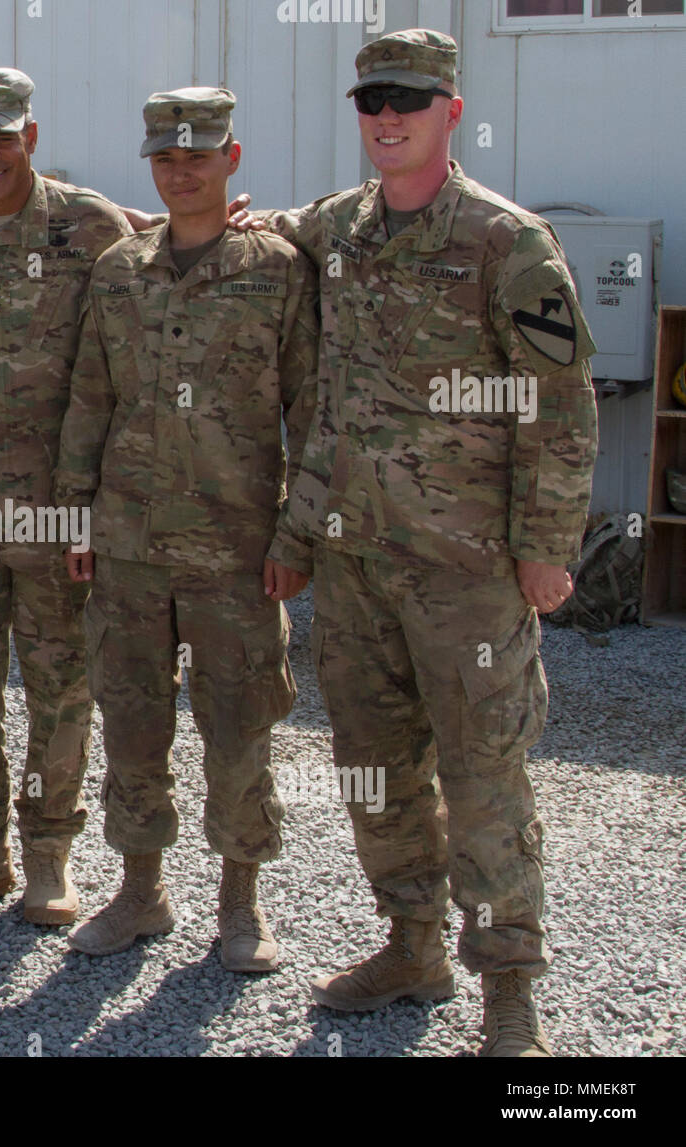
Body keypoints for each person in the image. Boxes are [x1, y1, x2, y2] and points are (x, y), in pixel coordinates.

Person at [248, 29, 597, 1054]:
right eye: (369, 99)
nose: (384, 116)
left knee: (482, 773)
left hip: (467, 571)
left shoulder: (505, 241)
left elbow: (559, 407)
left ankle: (510, 997)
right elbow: (255, 233)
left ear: (450, 106)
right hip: (357, 564)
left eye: (405, 97)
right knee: (373, 766)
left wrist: (546, 545)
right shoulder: (341, 229)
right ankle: (410, 944)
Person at [54, 88, 319, 970]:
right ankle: (140, 893)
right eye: (165, 158)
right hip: (128, 543)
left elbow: (312, 410)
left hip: (235, 550)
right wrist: (74, 511)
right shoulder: (121, 270)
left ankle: (241, 907)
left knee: (239, 726)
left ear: (231, 159)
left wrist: (298, 534)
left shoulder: (277, 269)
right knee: (131, 723)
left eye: (198, 156)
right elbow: (90, 397)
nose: (181, 171)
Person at [0, 69, 133, 925]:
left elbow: (139, 312)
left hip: (55, 506)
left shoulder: (91, 226)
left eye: (3, 137)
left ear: (30, 138)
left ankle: (48, 852)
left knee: (58, 681)